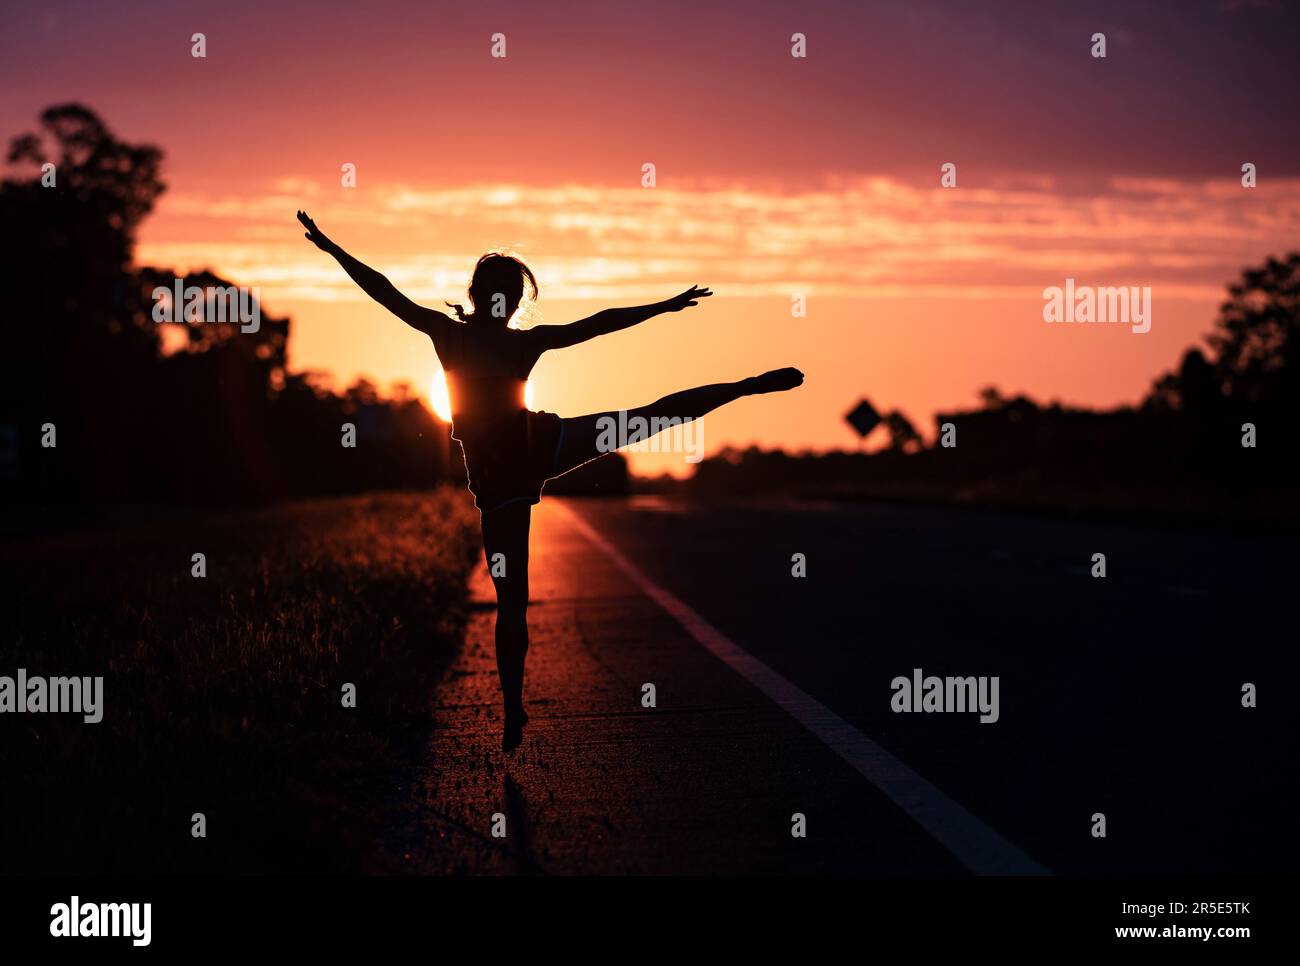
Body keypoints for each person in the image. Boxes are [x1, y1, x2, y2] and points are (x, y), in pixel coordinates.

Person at [297, 211, 803, 750]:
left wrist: (333, 249)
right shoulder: (516, 342)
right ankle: (746, 385)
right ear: (506, 301)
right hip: (537, 450)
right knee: (650, 418)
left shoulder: (451, 335)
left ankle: (513, 708)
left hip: (506, 472)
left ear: (490, 297)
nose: (505, 303)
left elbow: (385, 291)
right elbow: (599, 321)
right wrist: (664, 306)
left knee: (513, 599)